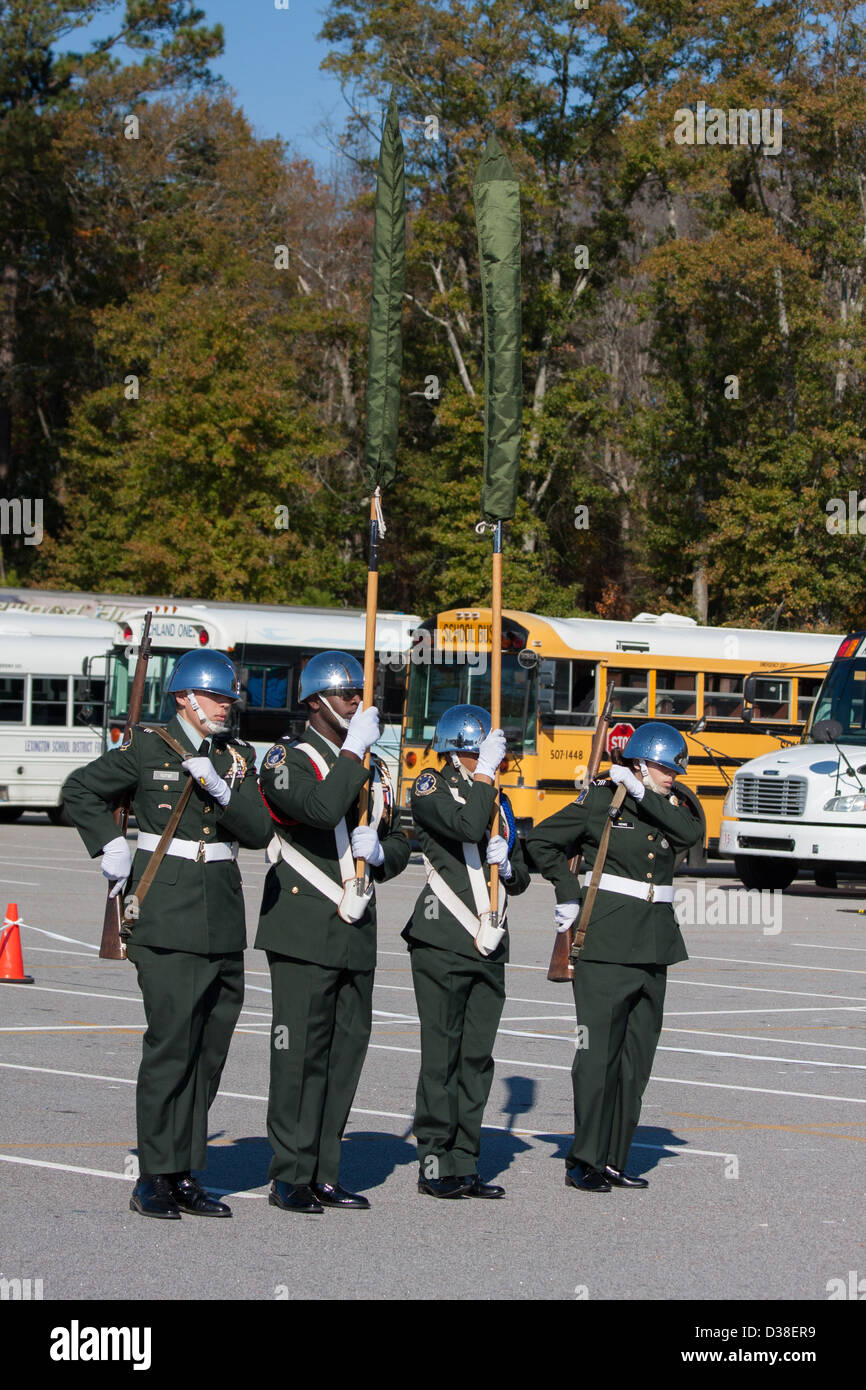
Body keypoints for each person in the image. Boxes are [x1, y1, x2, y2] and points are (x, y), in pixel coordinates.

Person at [62, 649, 272, 1219]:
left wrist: (224, 791)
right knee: (171, 1045)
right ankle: (153, 1175)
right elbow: (80, 789)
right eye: (218, 697)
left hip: (223, 917)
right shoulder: (149, 748)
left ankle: (184, 1171)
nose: (227, 706)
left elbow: (254, 831)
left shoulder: (237, 758)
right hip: (167, 913)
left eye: (230, 698)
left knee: (209, 1050)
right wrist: (107, 844)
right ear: (186, 698)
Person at [256, 651, 410, 1214]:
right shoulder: (286, 759)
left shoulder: (374, 766)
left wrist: (383, 852)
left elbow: (397, 840)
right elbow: (320, 810)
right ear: (316, 702)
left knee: (345, 1054)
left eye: (359, 694)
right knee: (299, 1055)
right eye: (346, 695)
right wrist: (353, 752)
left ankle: (324, 1169)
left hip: (355, 929)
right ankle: (289, 1174)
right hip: (302, 926)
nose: (357, 703)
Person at [526, 722, 702, 1193]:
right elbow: (541, 840)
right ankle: (584, 1158)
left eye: (674, 769)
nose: (673, 776)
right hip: (604, 943)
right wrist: (568, 894)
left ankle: (615, 1159)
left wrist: (647, 795)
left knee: (635, 1061)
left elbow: (693, 831)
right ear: (642, 762)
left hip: (654, 944)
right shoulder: (603, 799)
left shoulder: (671, 805)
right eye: (666, 769)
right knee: (596, 1056)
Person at [404, 704, 530, 1199]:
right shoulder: (430, 785)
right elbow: (465, 826)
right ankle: (434, 1163)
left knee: (476, 1057)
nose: (489, 760)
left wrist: (511, 866)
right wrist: (484, 776)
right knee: (442, 1055)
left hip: (489, 938)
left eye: (489, 754)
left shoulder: (495, 794)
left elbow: (516, 873)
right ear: (457, 751)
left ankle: (465, 1160)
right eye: (478, 752)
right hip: (443, 937)